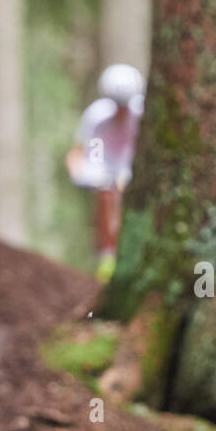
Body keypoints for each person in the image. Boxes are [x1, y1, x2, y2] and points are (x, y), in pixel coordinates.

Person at [66, 64, 145, 282]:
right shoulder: (96, 116)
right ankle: (106, 257)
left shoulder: (142, 114)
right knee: (106, 198)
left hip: (131, 170)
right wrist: (80, 173)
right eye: (117, 104)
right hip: (101, 169)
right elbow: (78, 152)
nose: (121, 110)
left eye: (125, 104)